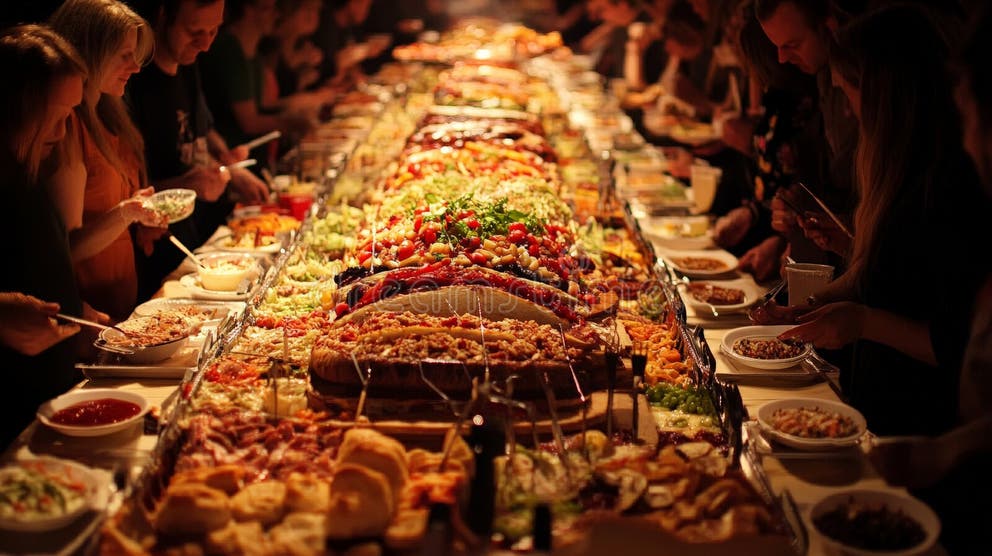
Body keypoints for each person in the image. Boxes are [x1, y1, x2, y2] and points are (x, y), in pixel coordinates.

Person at [774, 5, 992, 437]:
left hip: (919, 427)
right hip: (877, 413)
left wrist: (862, 321)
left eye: (849, 95)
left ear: (882, 95)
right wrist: (851, 249)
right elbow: (908, 275)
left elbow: (954, 340)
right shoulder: (905, 174)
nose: (850, 114)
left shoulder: (944, 185)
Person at [867, 6, 992, 552]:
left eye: (969, 116)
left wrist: (947, 452)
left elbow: (949, 340)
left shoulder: (948, 193)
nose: (967, 140)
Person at [128, 0, 270, 300]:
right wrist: (187, 184)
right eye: (194, 31)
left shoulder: (187, 65)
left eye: (214, 31)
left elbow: (203, 131)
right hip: (155, 255)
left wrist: (228, 165)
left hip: (195, 239)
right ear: (163, 15)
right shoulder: (131, 80)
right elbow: (128, 193)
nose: (205, 44)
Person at [49, 0, 171, 321]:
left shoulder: (110, 116)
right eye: (123, 56)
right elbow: (68, 248)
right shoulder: (68, 127)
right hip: (86, 318)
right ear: (89, 54)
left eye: (135, 55)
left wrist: (138, 221)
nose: (135, 67)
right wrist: (125, 213)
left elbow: (112, 210)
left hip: (122, 308)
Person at [0, 24, 88, 447]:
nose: (64, 130)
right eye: (56, 115)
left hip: (51, 397)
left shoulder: (27, 168)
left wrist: (75, 313)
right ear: (18, 108)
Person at [755, 0, 858, 263]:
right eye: (776, 47)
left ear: (829, 27)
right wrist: (798, 203)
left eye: (792, 45)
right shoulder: (822, 75)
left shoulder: (866, 86)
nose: (781, 59)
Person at [199, 0, 317, 156]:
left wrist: (298, 104)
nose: (276, 14)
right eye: (269, 9)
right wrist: (294, 123)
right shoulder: (229, 48)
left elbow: (262, 105)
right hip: (232, 155)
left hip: (251, 154)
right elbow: (250, 122)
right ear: (249, 10)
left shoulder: (254, 53)